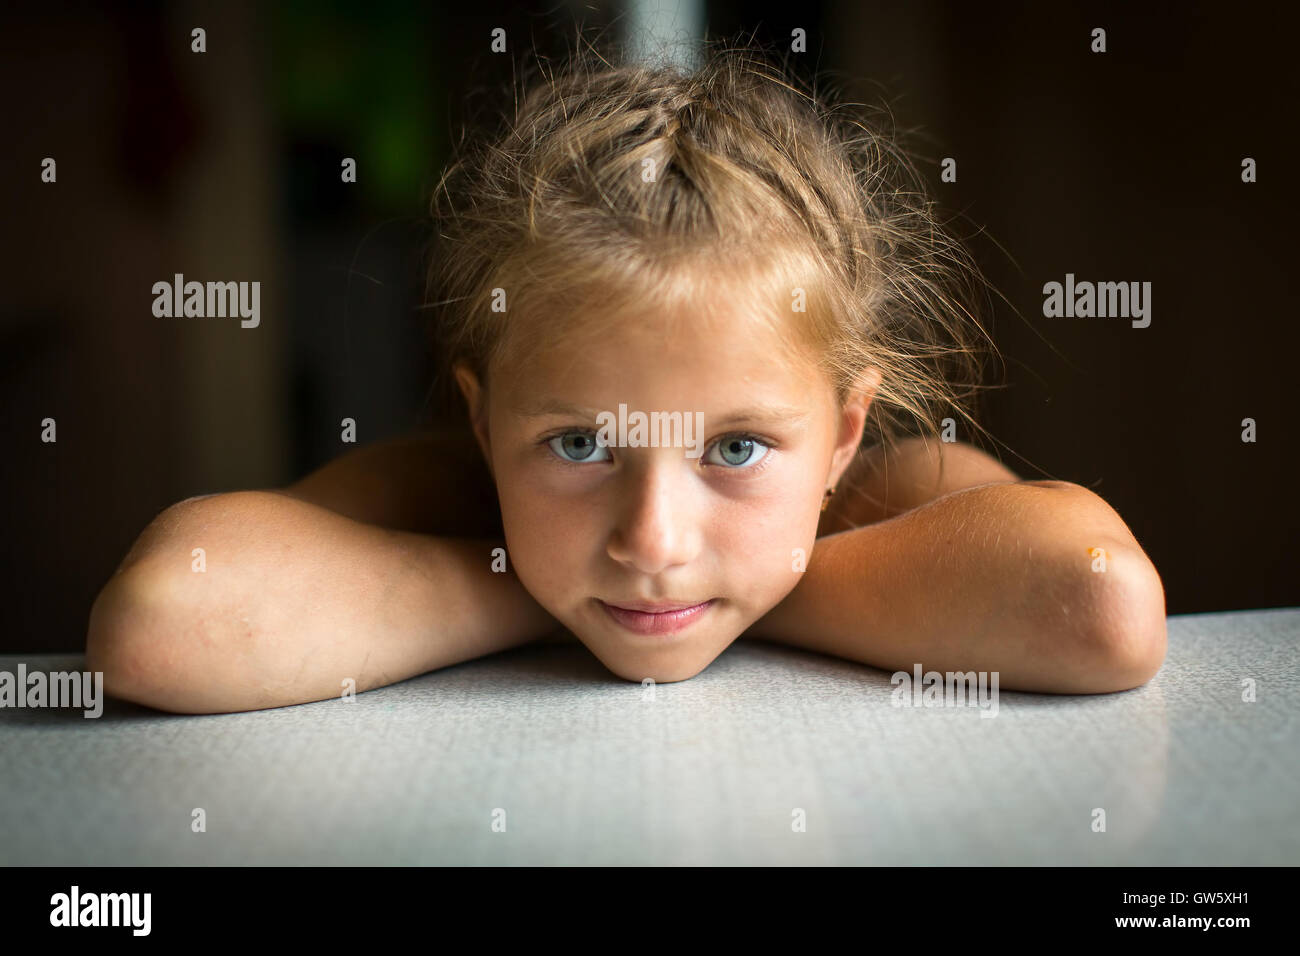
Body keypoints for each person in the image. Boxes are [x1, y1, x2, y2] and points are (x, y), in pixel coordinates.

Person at [86, 39, 1166, 714]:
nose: (652, 541)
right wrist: (570, 587)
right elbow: (161, 623)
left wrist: (754, 587)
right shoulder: (441, 489)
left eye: (736, 449)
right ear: (483, 414)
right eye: (578, 444)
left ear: (843, 433)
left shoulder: (900, 485)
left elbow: (1099, 603)